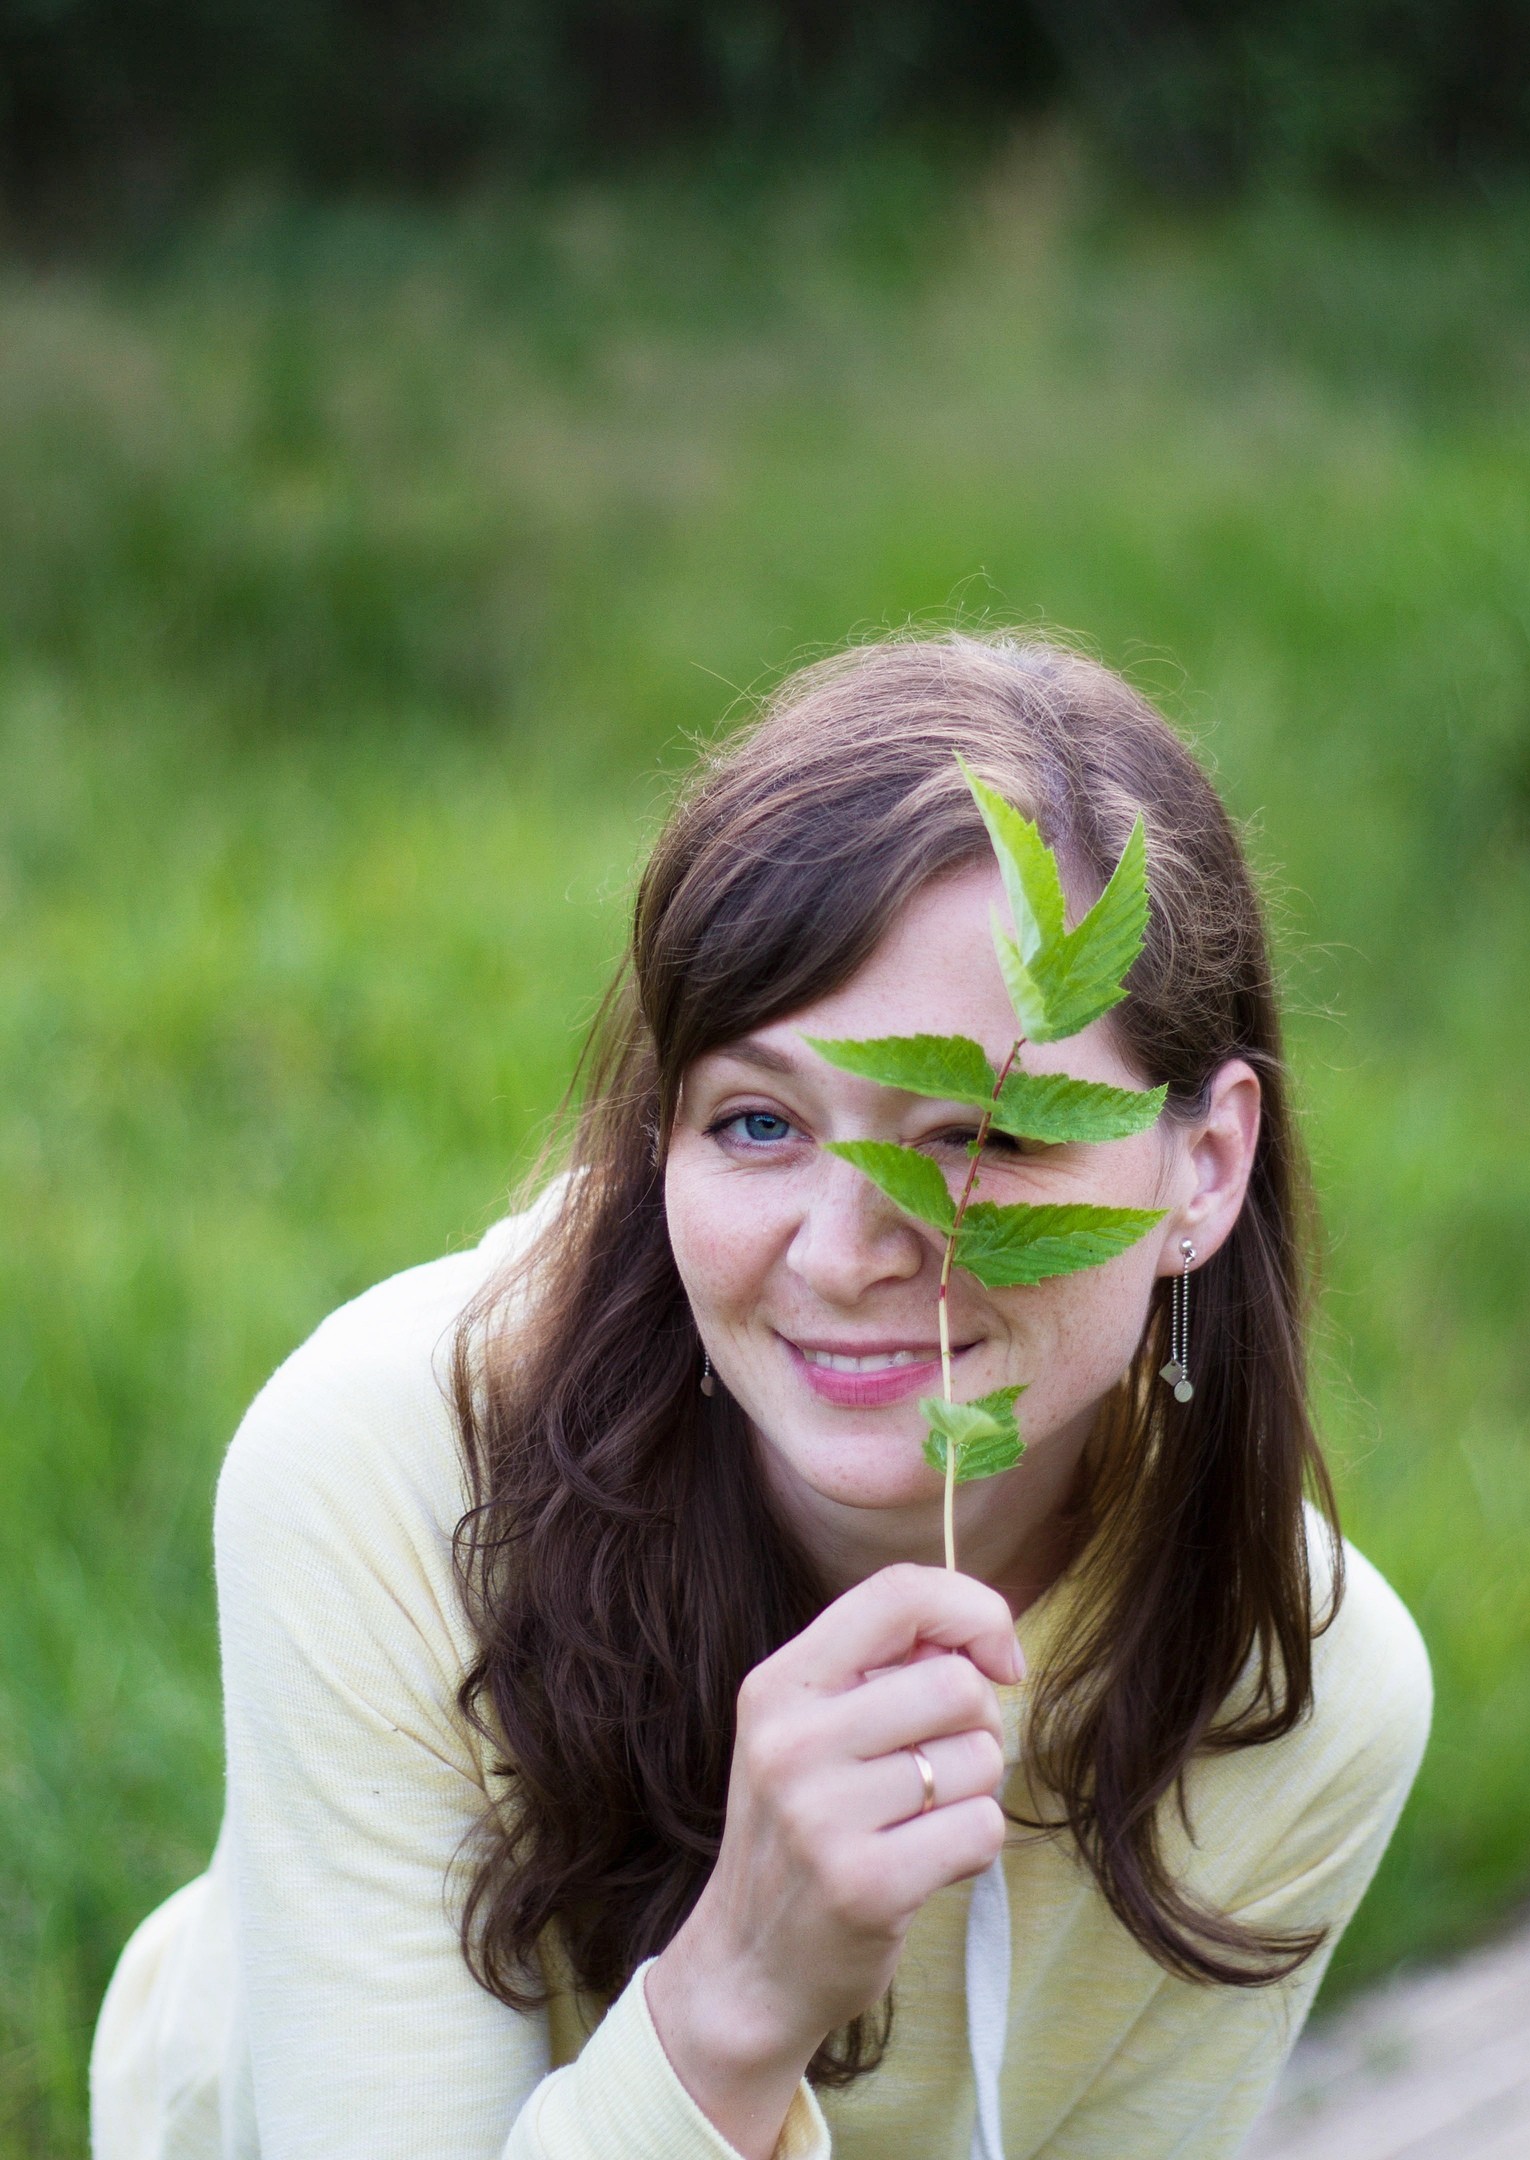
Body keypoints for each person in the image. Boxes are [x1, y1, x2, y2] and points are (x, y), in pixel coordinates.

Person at [91, 632, 1431, 2160]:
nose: (851, 1249)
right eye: (757, 1124)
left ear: (1205, 1165)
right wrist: (737, 1998)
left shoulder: (1302, 1699)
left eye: (984, 1137)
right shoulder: (385, 1470)